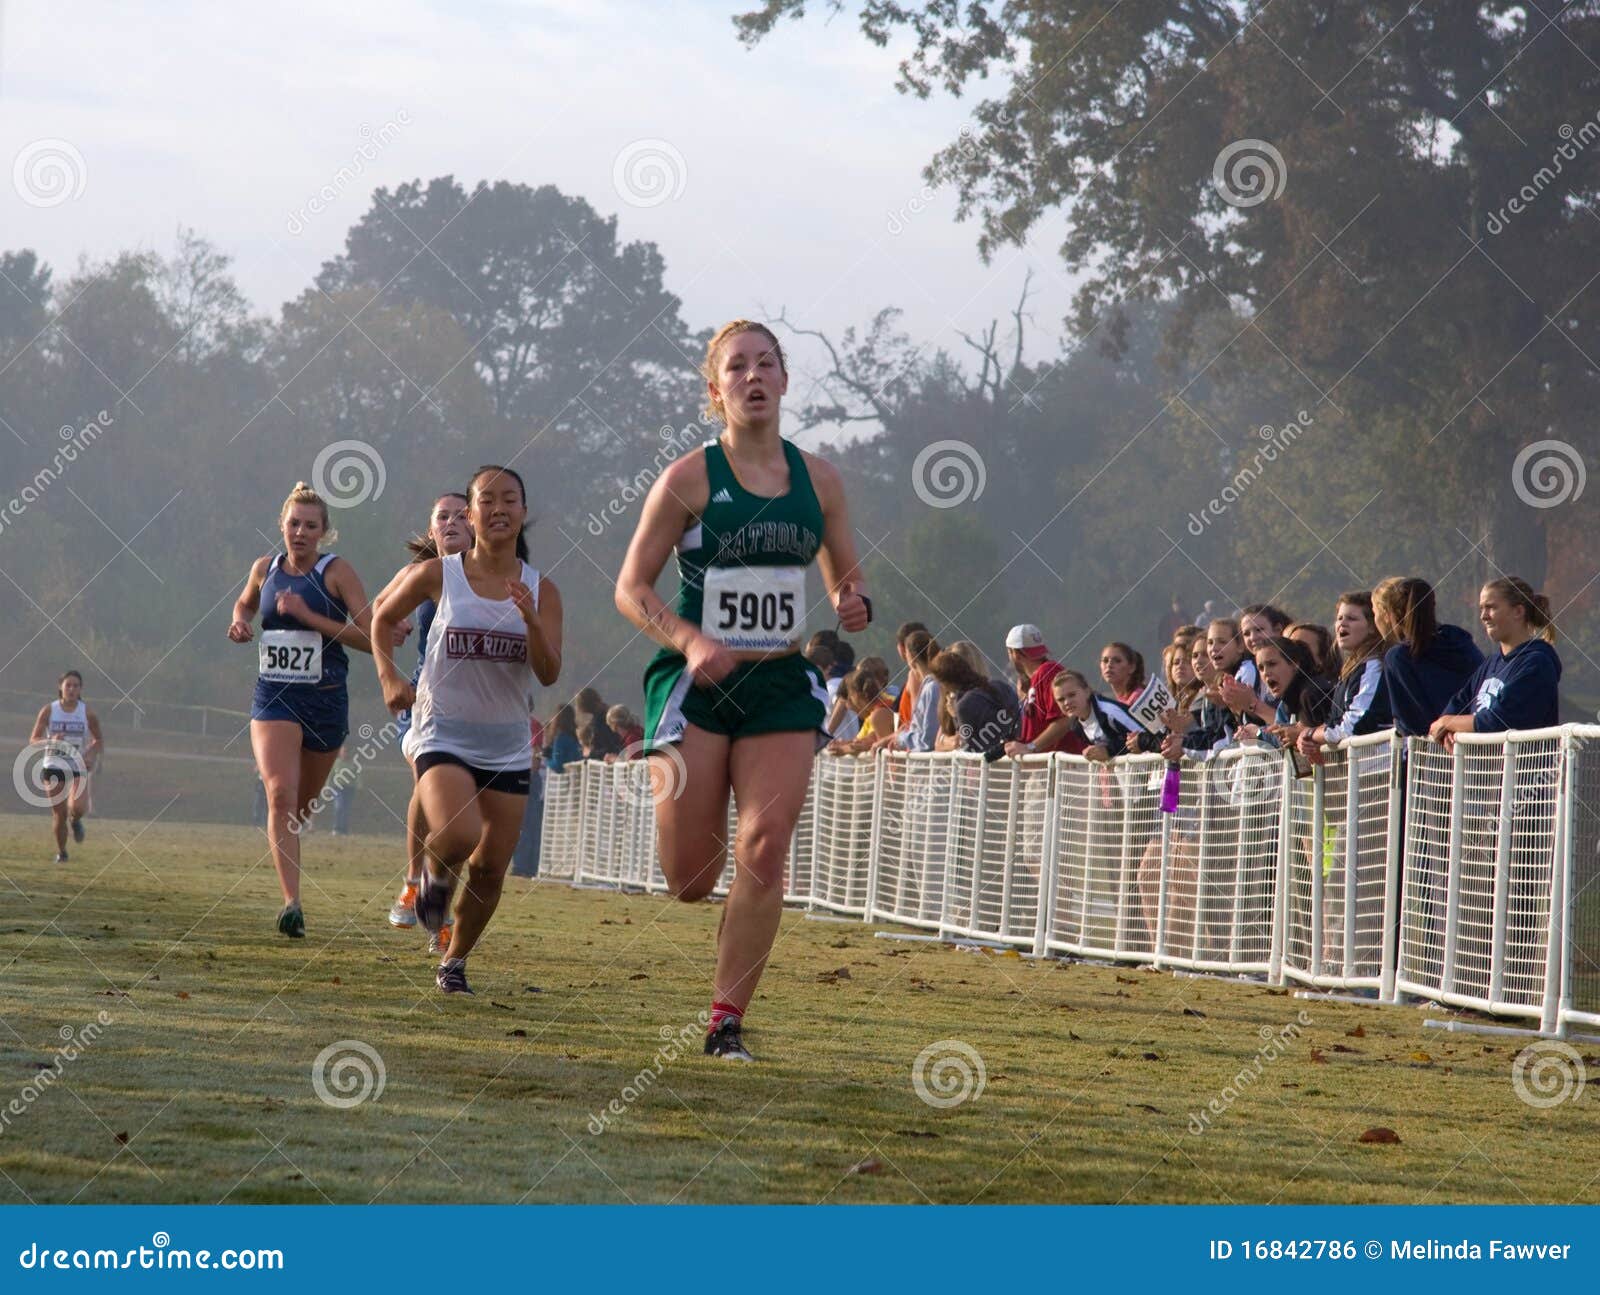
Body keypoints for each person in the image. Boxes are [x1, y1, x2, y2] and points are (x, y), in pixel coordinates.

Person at [615, 317, 869, 1061]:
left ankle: (726, 1018)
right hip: (696, 683)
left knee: (764, 845)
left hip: (780, 686)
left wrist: (855, 601)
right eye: (737, 368)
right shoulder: (688, 479)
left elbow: (846, 578)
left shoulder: (819, 480)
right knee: (692, 878)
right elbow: (631, 588)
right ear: (715, 389)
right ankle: (684, 824)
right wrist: (691, 639)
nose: (753, 378)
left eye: (766, 364)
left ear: (785, 380)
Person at [372, 465, 563, 995]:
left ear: (524, 513)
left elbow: (549, 673)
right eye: (487, 500)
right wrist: (389, 674)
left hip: (505, 743)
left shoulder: (542, 590)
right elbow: (382, 617)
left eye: (510, 500)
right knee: (459, 834)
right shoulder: (441, 574)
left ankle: (453, 964)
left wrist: (531, 623)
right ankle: (432, 880)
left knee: (489, 871)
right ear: (471, 514)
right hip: (442, 732)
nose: (499, 508)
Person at [229, 482, 392, 938]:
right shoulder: (265, 568)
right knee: (279, 795)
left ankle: (289, 860)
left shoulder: (336, 573)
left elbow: (369, 637)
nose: (300, 532)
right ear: (282, 525)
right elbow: (245, 602)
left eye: (310, 525)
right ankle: (292, 905)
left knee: (298, 810)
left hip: (325, 700)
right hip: (274, 696)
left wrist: (309, 616)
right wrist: (241, 620)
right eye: (293, 523)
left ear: (324, 532)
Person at [384, 492, 473, 950]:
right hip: (422, 704)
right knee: (427, 783)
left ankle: (438, 909)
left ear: (477, 525)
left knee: (457, 823)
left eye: (463, 515)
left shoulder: (490, 576)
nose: (453, 521)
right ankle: (415, 879)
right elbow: (376, 613)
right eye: (444, 516)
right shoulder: (418, 574)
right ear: (432, 528)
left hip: (478, 710)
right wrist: (392, 652)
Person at [1430, 577, 1561, 745]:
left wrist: (1449, 723)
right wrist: (1447, 725)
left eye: (1491, 607)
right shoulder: (1490, 663)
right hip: (1482, 770)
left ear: (1518, 612)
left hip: (1521, 771)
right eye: (1481, 609)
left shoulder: (1537, 663)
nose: (1484, 616)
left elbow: (1500, 721)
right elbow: (1458, 704)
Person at [1375, 576, 1484, 738]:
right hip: (1480, 742)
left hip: (1434, 754)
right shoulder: (1460, 640)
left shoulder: (1398, 657)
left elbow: (1412, 722)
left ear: (1390, 615)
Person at [1298, 592, 1392, 760]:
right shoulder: (1354, 668)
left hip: (1379, 771)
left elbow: (1353, 726)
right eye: (1339, 618)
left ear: (1372, 627)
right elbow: (1335, 720)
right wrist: (1310, 737)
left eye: (1352, 618)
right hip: (1359, 774)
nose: (1342, 623)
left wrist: (1311, 734)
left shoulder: (1373, 666)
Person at [26, 670, 103, 863]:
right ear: (60, 687)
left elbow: (98, 740)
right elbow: (33, 740)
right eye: (68, 685)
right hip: (53, 765)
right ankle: (62, 852)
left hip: (78, 764)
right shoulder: (49, 710)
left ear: (80, 689)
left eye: (75, 686)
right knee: (59, 814)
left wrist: (91, 755)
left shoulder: (87, 712)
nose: (71, 689)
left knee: (79, 807)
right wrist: (50, 740)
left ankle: (76, 820)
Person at [1002, 624, 1085, 757]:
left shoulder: (1048, 671)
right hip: (1051, 764)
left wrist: (1030, 747)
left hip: (1063, 765)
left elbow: (1065, 719)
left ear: (1014, 654)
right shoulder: (1035, 678)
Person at [928, 649, 1018, 759]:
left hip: (991, 764)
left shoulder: (963, 706)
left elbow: (968, 746)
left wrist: (955, 716)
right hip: (1015, 753)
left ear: (946, 683)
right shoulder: (1000, 685)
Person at [1051, 670, 1141, 760]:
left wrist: (1108, 751)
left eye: (1072, 695)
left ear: (1087, 691)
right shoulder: (1075, 725)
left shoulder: (1109, 711)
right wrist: (1092, 752)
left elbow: (1144, 737)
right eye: (1061, 699)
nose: (1067, 702)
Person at [886, 630, 941, 752]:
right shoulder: (929, 687)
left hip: (927, 767)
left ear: (910, 657)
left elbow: (927, 740)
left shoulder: (932, 688)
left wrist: (901, 738)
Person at [892, 621, 931, 730]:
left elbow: (916, 719)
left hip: (911, 743)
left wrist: (892, 738)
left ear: (902, 647)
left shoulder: (915, 675)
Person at [1098, 642, 1147, 706]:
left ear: (1132, 668)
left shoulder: (1139, 698)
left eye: (1117, 661)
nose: (1109, 665)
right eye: (1105, 660)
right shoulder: (1121, 701)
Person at [545, 705, 582, 773]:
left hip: (564, 780)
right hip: (576, 778)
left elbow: (558, 766)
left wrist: (546, 760)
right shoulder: (574, 737)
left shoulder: (560, 739)